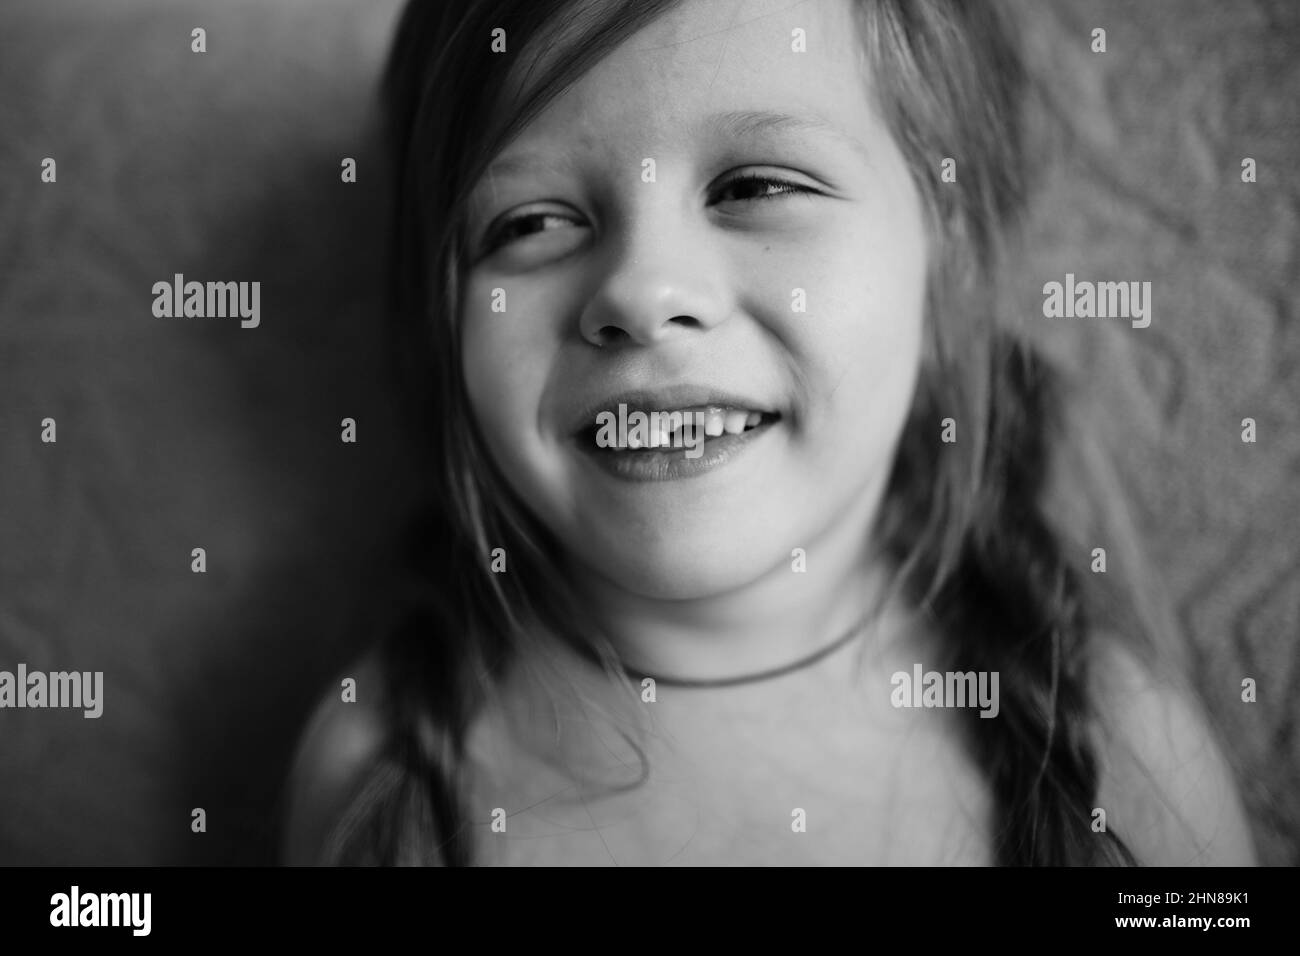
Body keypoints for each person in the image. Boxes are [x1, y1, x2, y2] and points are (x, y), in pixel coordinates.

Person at [282, 0, 1256, 866]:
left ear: (945, 260)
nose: (640, 292)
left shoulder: (1122, 752)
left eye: (754, 186)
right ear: (439, 319)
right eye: (531, 221)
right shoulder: (377, 774)